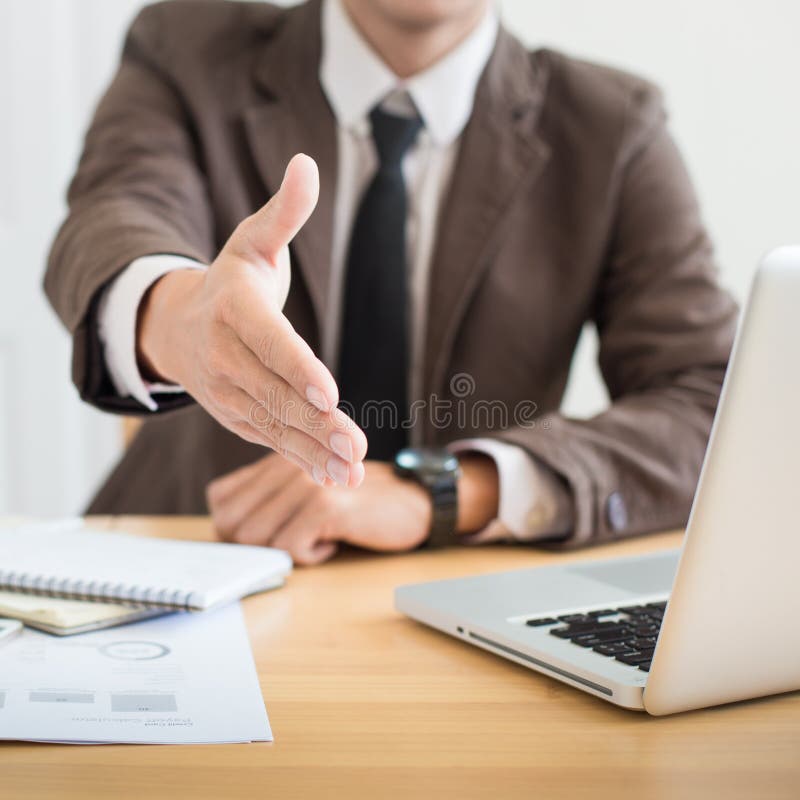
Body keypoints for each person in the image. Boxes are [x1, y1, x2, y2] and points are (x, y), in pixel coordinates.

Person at [45, 0, 738, 564]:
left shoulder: (613, 128)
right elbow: (116, 212)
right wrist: (180, 317)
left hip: (458, 601)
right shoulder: (184, 49)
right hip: (188, 564)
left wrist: (443, 492)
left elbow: (711, 407)